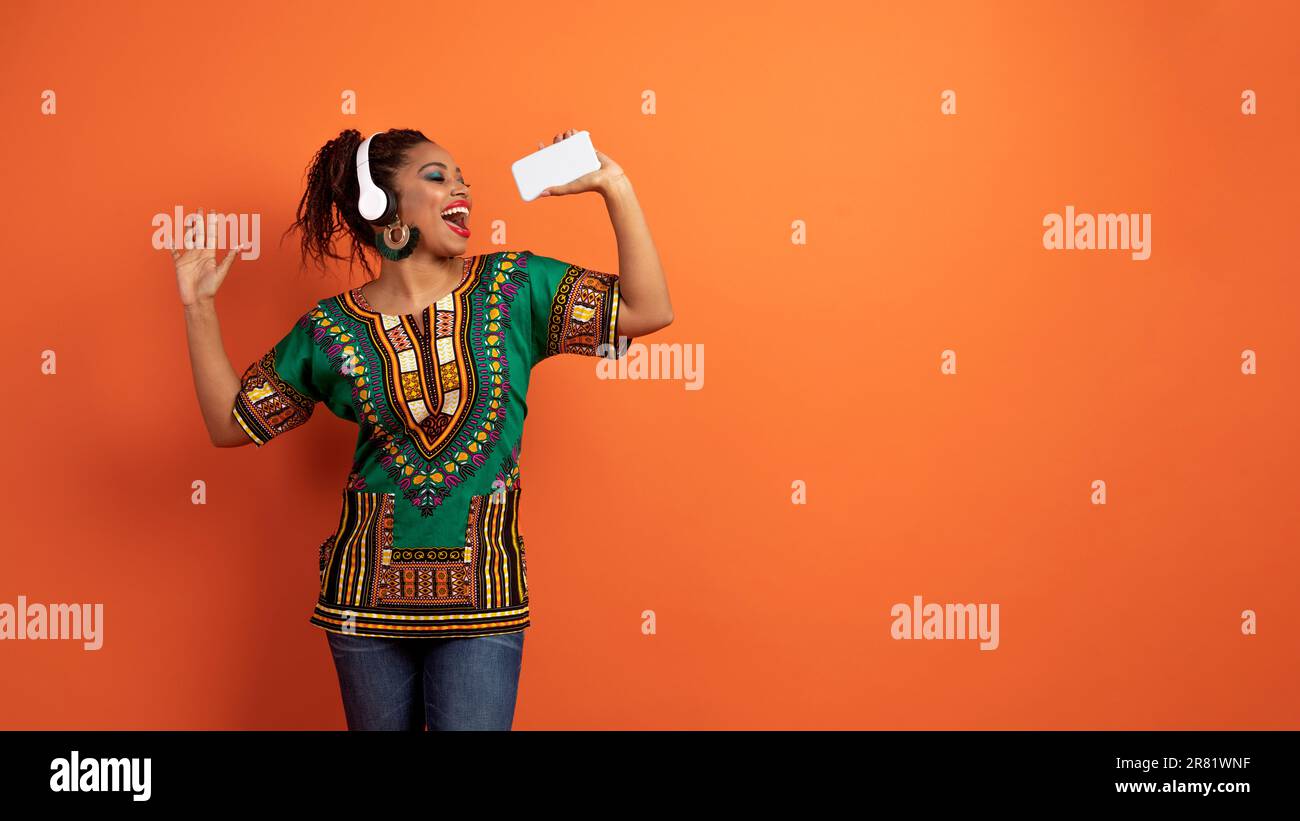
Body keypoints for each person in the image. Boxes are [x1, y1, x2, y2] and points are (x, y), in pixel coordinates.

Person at [172, 127, 674, 730]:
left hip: (482, 602)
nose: (461, 187)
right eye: (437, 177)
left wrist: (611, 185)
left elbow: (648, 311)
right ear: (385, 210)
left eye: (461, 177)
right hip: (364, 606)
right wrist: (198, 308)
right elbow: (233, 424)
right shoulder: (331, 329)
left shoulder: (515, 287)